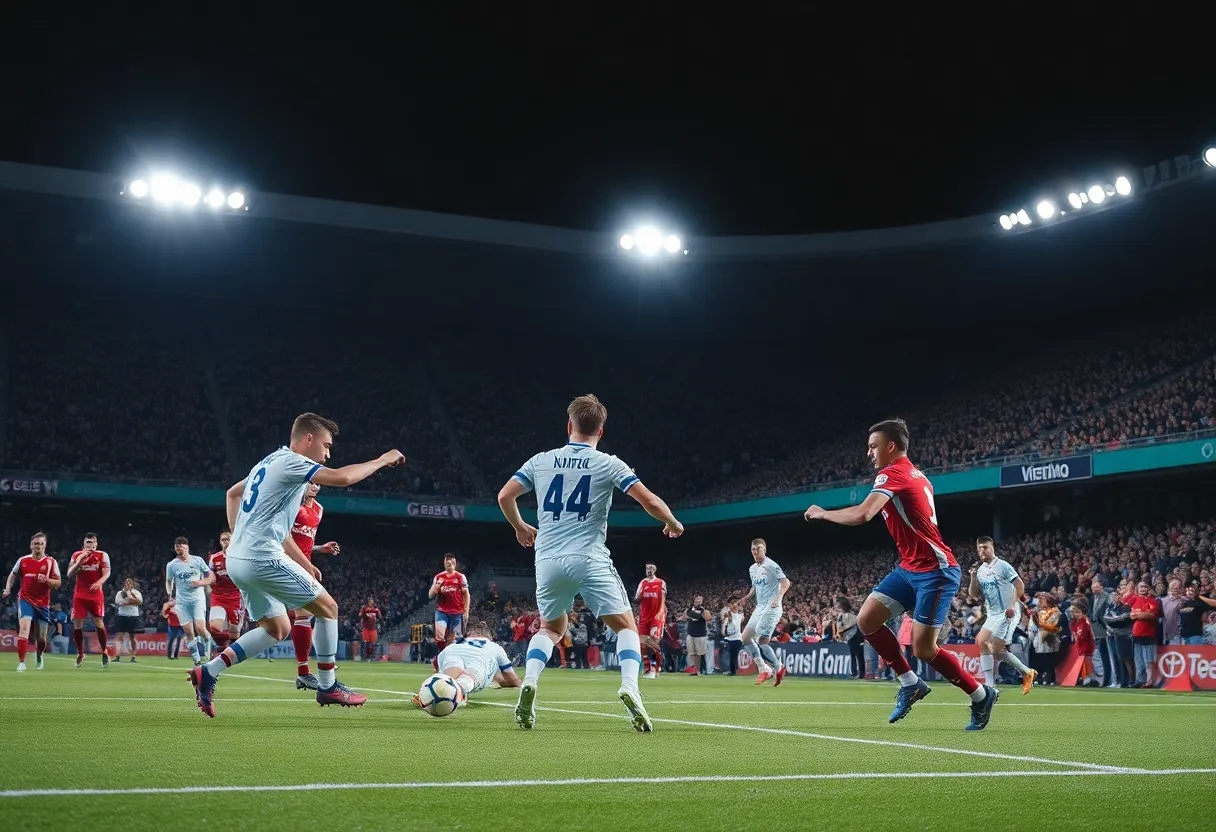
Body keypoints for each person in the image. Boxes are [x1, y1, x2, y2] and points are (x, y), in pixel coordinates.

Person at [189, 412, 404, 717]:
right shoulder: (293, 462)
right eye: (326, 446)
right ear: (308, 440)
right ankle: (328, 686)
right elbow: (342, 477)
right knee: (328, 608)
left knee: (277, 628)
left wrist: (241, 537)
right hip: (261, 557)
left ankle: (208, 671)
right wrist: (383, 459)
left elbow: (232, 494)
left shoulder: (268, 462)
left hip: (237, 559)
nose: (327, 454)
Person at [497, 394, 683, 732]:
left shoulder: (541, 460)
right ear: (601, 430)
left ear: (569, 426)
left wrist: (520, 527)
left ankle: (531, 680)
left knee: (551, 628)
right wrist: (672, 522)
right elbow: (649, 500)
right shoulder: (608, 463)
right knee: (627, 628)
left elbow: (504, 495)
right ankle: (630, 686)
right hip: (589, 558)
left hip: (548, 559)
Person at [804, 419, 997, 731]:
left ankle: (980, 695)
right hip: (910, 567)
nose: (869, 452)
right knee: (866, 619)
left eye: (873, 446)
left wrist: (823, 513)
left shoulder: (893, 472)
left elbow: (863, 513)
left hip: (936, 571)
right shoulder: (915, 474)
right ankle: (911, 683)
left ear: (890, 446)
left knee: (924, 649)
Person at [287, 482, 341, 690]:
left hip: (303, 566)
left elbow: (305, 544)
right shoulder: (291, 505)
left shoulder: (318, 509)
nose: (314, 486)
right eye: (310, 482)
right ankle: (315, 672)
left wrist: (321, 548)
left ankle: (310, 670)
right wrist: (307, 564)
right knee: (311, 613)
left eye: (317, 483)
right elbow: (285, 540)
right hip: (287, 563)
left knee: (309, 615)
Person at [968, 537, 1035, 694]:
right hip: (992, 614)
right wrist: (972, 577)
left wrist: (1012, 605)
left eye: (985, 547)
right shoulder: (981, 571)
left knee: (993, 646)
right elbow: (973, 594)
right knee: (985, 644)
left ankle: (991, 687)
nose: (982, 551)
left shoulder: (1003, 566)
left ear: (992, 548)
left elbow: (1019, 585)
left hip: (1008, 612)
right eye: (979, 548)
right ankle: (1025, 673)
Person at [414, 629, 521, 710]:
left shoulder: (456, 643)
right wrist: (504, 682)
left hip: (452, 651)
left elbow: (437, 667)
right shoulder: (495, 647)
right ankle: (459, 691)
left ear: (468, 635)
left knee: (448, 675)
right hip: (480, 659)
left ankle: (428, 693)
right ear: (489, 637)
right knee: (471, 676)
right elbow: (513, 680)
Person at [732, 539, 790, 686]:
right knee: (745, 637)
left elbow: (785, 582)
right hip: (760, 607)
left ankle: (778, 667)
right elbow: (754, 588)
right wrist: (744, 598)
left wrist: (779, 597)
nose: (755, 552)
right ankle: (764, 668)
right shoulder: (752, 568)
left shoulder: (771, 565)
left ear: (764, 549)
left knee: (762, 640)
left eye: (758, 548)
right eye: (753, 549)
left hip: (772, 607)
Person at [3, 532, 61, 671]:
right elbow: (13, 574)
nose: (38, 546)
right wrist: (7, 588)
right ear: (31, 545)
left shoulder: (51, 562)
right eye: (36, 544)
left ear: (45, 546)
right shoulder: (23, 560)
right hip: (25, 599)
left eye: (41, 544)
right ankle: (21, 662)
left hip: (43, 603)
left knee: (41, 638)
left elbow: (58, 583)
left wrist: (46, 580)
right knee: (24, 629)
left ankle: (39, 655)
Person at [164, 537, 214, 666]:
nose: (178, 548)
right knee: (188, 631)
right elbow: (169, 581)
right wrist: (170, 594)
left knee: (200, 628)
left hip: (197, 598)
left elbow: (210, 576)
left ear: (187, 547)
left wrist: (201, 582)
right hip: (182, 601)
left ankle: (208, 641)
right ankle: (197, 659)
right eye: (176, 546)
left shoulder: (198, 560)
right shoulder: (171, 565)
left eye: (181, 545)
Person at [66, 533, 112, 669]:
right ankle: (80, 653)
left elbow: (107, 572)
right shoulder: (76, 555)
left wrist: (99, 582)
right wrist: (79, 561)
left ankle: (104, 651)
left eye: (92, 543)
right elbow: (69, 574)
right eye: (87, 543)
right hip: (79, 595)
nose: (90, 545)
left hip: (95, 595)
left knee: (98, 621)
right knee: (78, 624)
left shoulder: (102, 555)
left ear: (96, 544)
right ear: (83, 544)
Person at [428, 554, 470, 659]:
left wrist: (466, 611)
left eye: (449, 563)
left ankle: (454, 659)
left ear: (454, 564)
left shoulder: (460, 577)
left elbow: (466, 595)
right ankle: (443, 656)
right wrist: (437, 585)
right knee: (439, 636)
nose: (447, 565)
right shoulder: (438, 577)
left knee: (456, 639)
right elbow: (430, 595)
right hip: (442, 611)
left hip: (457, 612)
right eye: (446, 563)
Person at [1126, 581, 1162, 688]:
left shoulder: (1153, 601)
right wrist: (1129, 591)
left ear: (1149, 589)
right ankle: (1140, 680)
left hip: (1149, 634)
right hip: (1136, 634)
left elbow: (1152, 615)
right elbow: (1124, 604)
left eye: (1145, 587)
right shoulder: (1134, 599)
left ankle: (1149, 681)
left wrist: (1137, 614)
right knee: (1138, 660)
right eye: (1141, 587)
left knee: (1149, 660)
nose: (1143, 589)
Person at [635, 563, 667, 679]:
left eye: (651, 568)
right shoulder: (643, 583)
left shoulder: (660, 582)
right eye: (647, 568)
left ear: (655, 570)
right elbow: (637, 597)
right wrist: (641, 593)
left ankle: (656, 668)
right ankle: (647, 668)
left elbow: (663, 597)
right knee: (643, 644)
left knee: (653, 642)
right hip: (644, 617)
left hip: (656, 617)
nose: (649, 570)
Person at [113, 578, 143, 662]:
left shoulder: (136, 593)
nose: (128, 584)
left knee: (132, 637)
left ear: (132, 584)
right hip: (122, 616)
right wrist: (132, 602)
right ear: (124, 583)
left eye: (130, 582)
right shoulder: (119, 593)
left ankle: (133, 656)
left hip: (133, 616)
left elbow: (140, 602)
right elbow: (118, 603)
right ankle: (117, 656)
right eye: (126, 582)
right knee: (119, 636)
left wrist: (128, 601)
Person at [684, 595, 711, 675]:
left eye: (700, 600)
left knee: (701, 653)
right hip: (691, 633)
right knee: (692, 653)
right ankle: (696, 670)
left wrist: (701, 613)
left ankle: (704, 669)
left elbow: (708, 618)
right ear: (694, 601)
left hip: (700, 634)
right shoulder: (690, 609)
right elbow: (686, 615)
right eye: (697, 600)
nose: (698, 602)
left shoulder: (704, 610)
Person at [720, 603, 743, 674]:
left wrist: (723, 630)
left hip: (732, 639)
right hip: (737, 638)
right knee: (734, 655)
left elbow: (724, 627)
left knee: (732, 656)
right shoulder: (738, 616)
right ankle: (734, 670)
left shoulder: (730, 617)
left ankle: (733, 671)